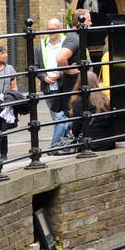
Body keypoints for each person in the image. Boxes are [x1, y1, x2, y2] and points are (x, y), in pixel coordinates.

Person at [44, 9, 90, 149]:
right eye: (89, 20)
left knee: (73, 120)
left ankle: (65, 147)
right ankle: (55, 148)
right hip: (72, 87)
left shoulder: (76, 36)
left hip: (75, 87)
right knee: (69, 120)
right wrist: (70, 70)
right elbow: (60, 58)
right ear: (80, 21)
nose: (91, 23)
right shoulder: (73, 38)